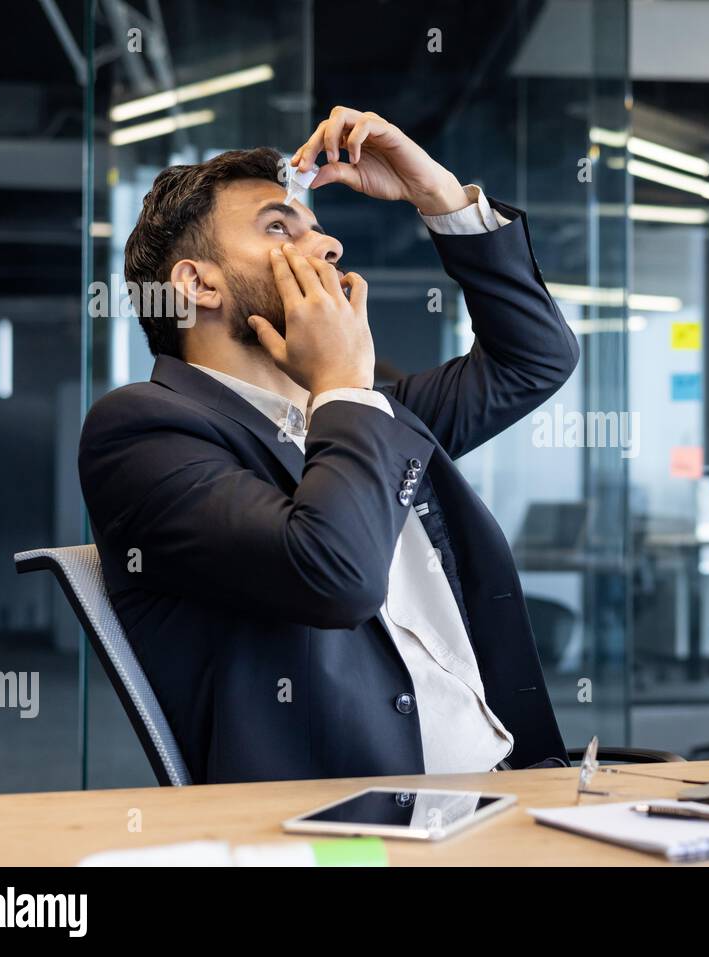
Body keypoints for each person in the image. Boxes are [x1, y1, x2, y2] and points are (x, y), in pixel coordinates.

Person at [78, 106, 578, 783]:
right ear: (196, 285)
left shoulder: (373, 411)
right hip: (360, 829)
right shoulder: (142, 431)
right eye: (280, 227)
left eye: (318, 227)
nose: (330, 246)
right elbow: (333, 576)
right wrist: (342, 383)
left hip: (508, 787)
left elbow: (535, 359)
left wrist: (439, 196)